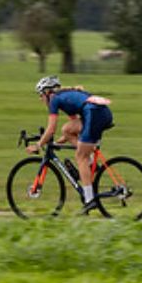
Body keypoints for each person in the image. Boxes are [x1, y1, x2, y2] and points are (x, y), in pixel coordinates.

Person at [28, 76, 113, 212]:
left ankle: (90, 199)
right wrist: (55, 142)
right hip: (98, 113)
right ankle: (90, 163)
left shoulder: (55, 100)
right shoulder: (64, 97)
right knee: (67, 129)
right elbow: (70, 131)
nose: (40, 99)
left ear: (48, 92)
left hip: (94, 114)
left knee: (80, 157)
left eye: (40, 95)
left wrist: (38, 145)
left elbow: (51, 129)